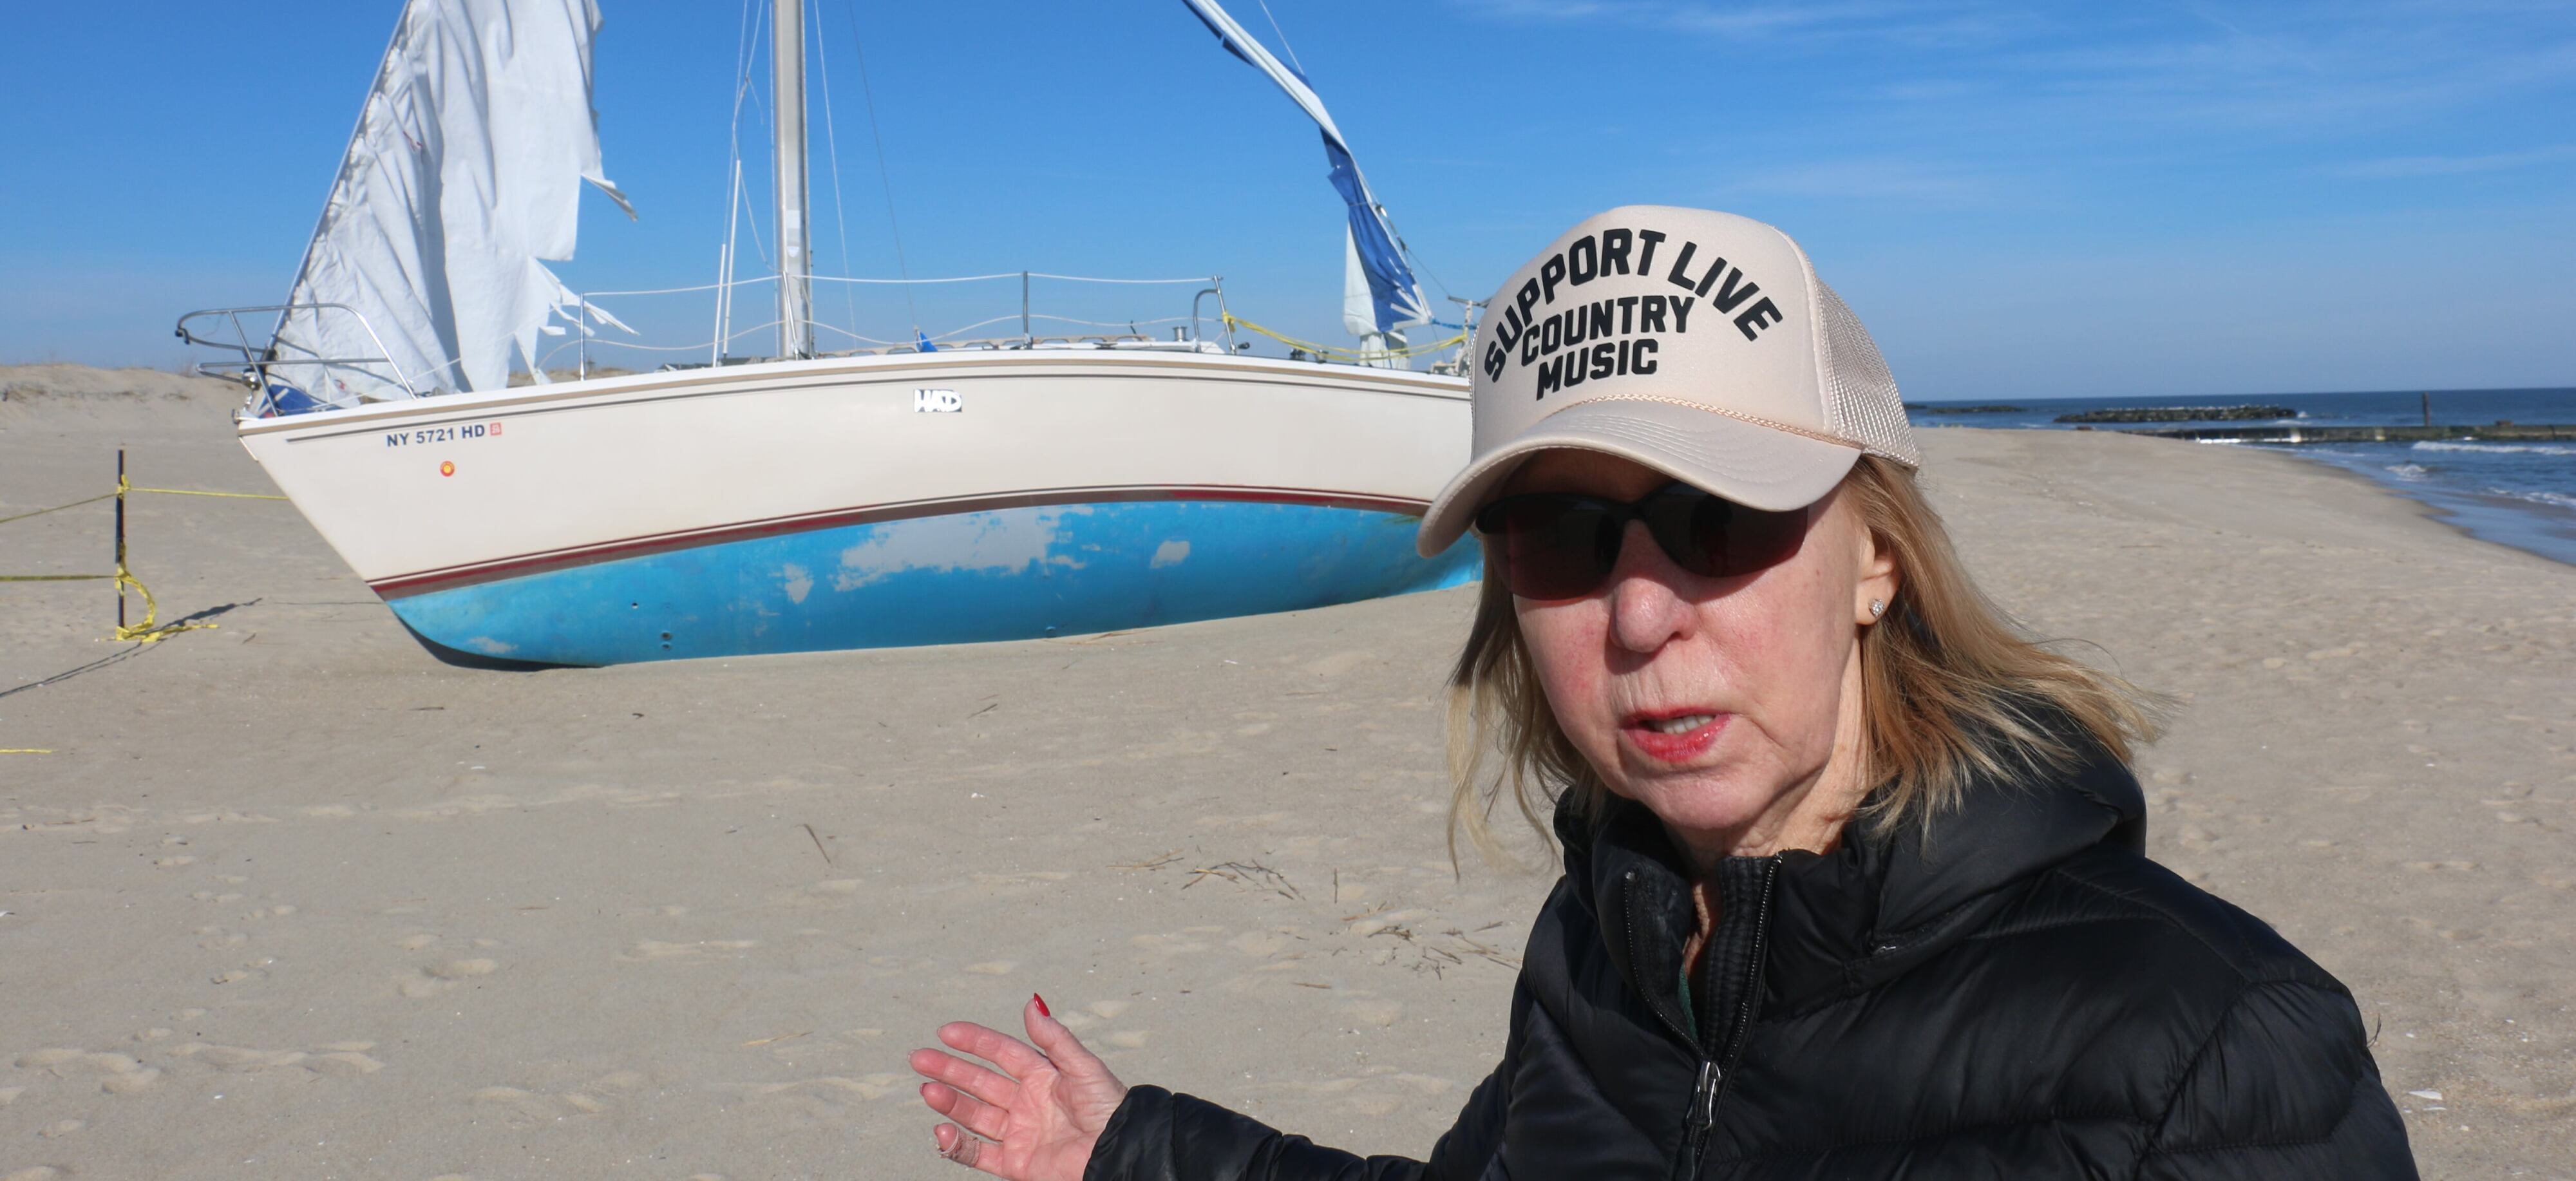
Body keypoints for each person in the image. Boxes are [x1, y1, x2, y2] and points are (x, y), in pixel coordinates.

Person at [909, 207, 2417, 1178]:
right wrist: (1131, 1148)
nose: (1638, 611)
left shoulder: (2213, 1050)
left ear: (1876, 560)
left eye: (1721, 519)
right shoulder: (1605, 946)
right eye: (1563, 535)